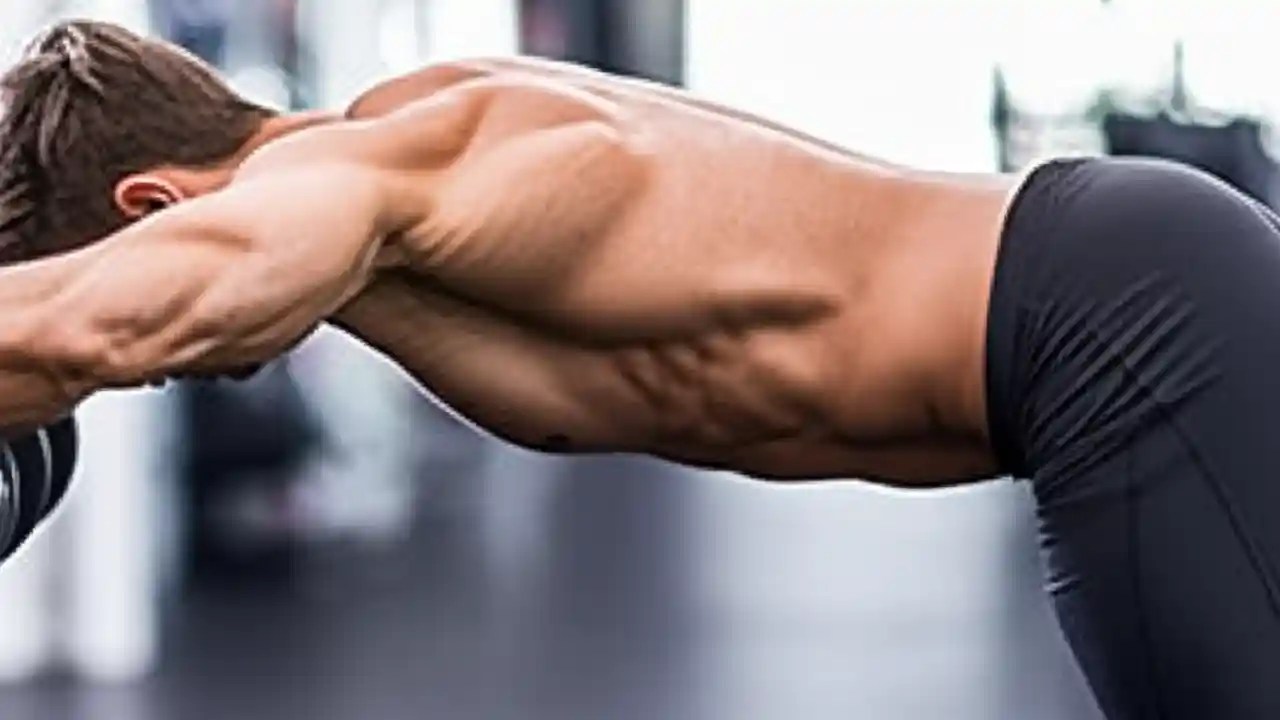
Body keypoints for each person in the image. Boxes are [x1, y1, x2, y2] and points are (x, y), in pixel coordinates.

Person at [0, 20, 1276, 720]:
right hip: (1119, 294)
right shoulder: (400, 143)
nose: (161, 384)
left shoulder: (355, 176)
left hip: (1119, 327)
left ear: (155, 206)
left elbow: (91, 332)